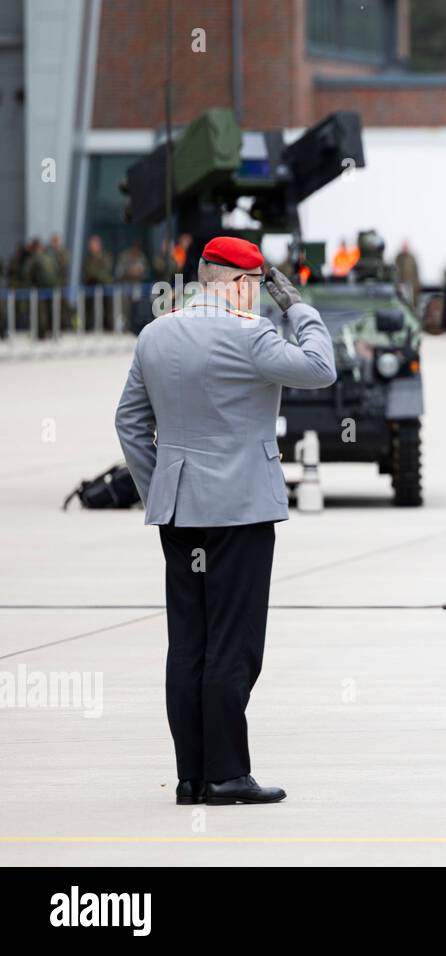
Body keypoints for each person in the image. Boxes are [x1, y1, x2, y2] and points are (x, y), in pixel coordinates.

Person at [115, 236, 336, 806]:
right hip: (240, 512)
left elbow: (130, 424)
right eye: (258, 288)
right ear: (240, 284)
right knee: (233, 646)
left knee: (188, 642)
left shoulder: (155, 335)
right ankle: (227, 775)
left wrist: (160, 487)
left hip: (179, 512)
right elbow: (321, 368)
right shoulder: (251, 335)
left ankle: (191, 776)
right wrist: (299, 308)